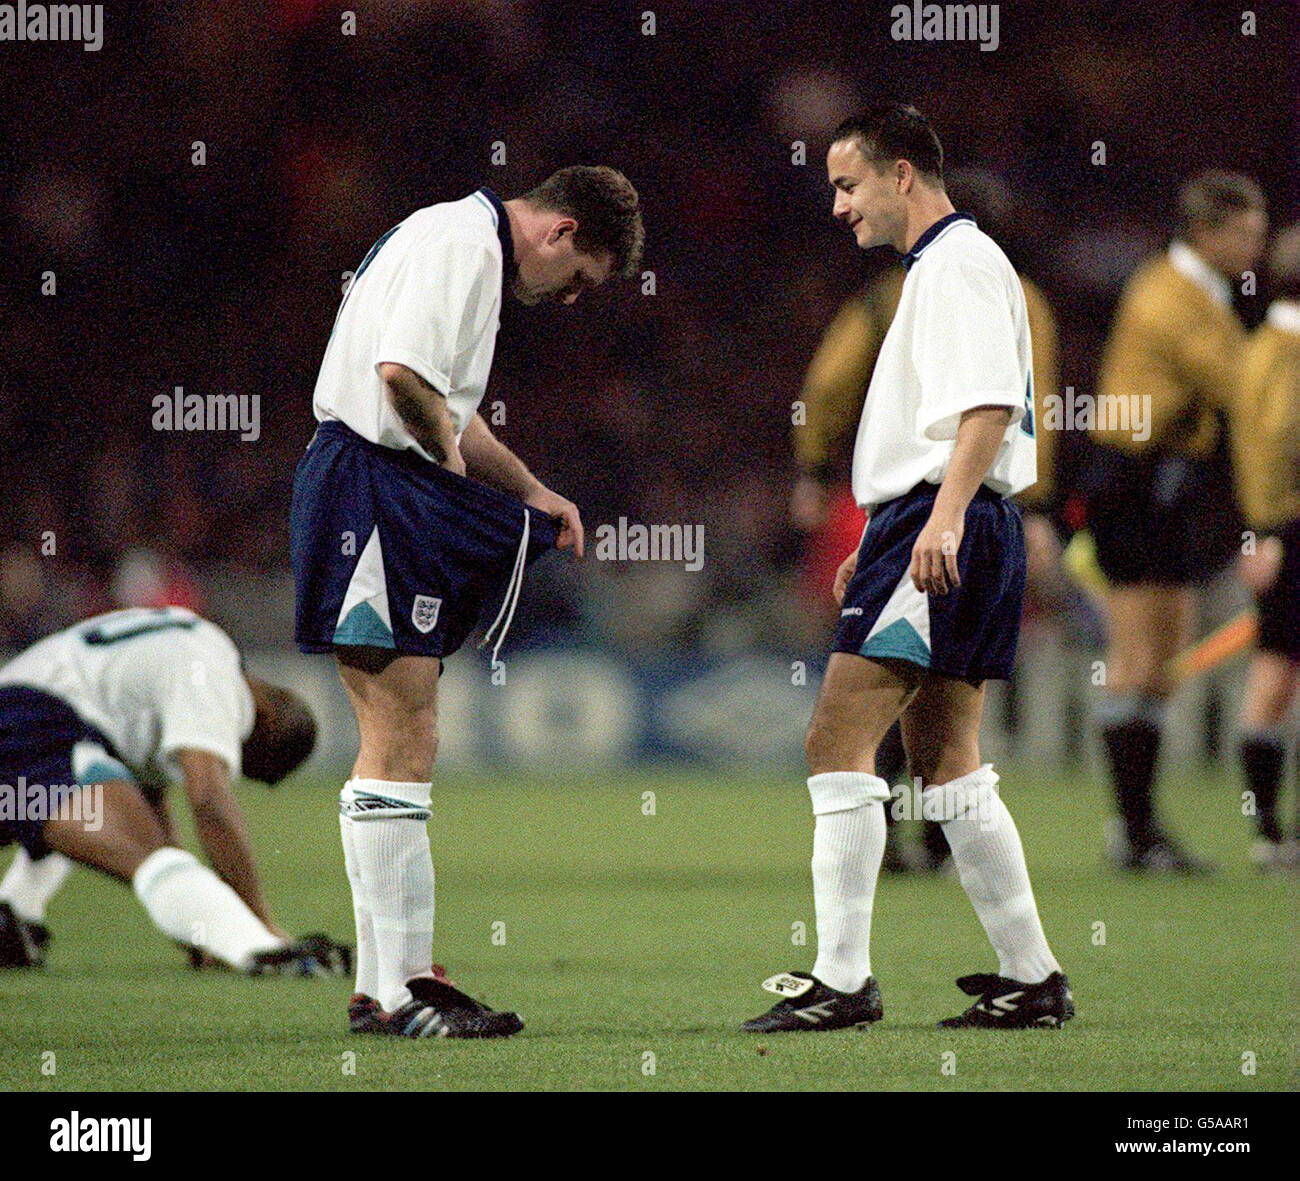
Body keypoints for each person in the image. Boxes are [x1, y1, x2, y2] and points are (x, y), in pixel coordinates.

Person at [292, 167, 644, 1038]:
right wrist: (445, 464)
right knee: (401, 731)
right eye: (580, 280)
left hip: (374, 486)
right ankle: (407, 989)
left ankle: (388, 986)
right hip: (373, 489)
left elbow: (446, 404)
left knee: (402, 731)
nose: (569, 300)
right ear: (560, 232)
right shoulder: (459, 245)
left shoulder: (461, 243)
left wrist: (530, 488)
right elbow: (402, 376)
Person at [744, 104, 1071, 1033]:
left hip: (948, 520)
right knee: (944, 759)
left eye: (848, 185)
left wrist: (939, 519)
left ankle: (843, 979)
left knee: (836, 745)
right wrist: (882, 533)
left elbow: (987, 405)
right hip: (952, 520)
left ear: (900, 175)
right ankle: (1033, 974)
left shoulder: (956, 264)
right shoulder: (948, 267)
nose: (840, 207)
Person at [790, 168, 1064, 872]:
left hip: (916, 500)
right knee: (941, 714)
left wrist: (815, 470)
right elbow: (1041, 408)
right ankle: (946, 849)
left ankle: (881, 839)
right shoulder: (1024, 297)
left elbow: (827, 384)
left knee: (864, 695)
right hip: (991, 502)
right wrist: (1036, 505)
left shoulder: (894, 294)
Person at [1090, 171, 1267, 871]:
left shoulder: (1197, 291)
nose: (1253, 246)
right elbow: (1238, 385)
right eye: (1245, 233)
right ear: (1206, 232)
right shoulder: (1170, 294)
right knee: (1138, 655)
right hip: (1133, 477)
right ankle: (1131, 832)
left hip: (1167, 478)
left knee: (1162, 659)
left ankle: (1139, 827)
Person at [0, 606, 332, 974]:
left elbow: (153, 813)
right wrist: (254, 921)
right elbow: (209, 801)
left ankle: (12, 913)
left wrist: (202, 929)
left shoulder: (190, 645)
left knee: (108, 824)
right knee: (139, 850)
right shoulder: (216, 678)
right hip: (35, 719)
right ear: (265, 718)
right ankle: (260, 951)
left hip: (25, 710)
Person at [1231, 225, 1299, 867]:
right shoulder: (1287, 350)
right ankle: (1275, 833)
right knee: (1275, 675)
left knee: (1272, 673)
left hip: (1275, 527)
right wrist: (1271, 530)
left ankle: (1271, 831)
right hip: (1290, 526)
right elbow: (1279, 435)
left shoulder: (1258, 343)